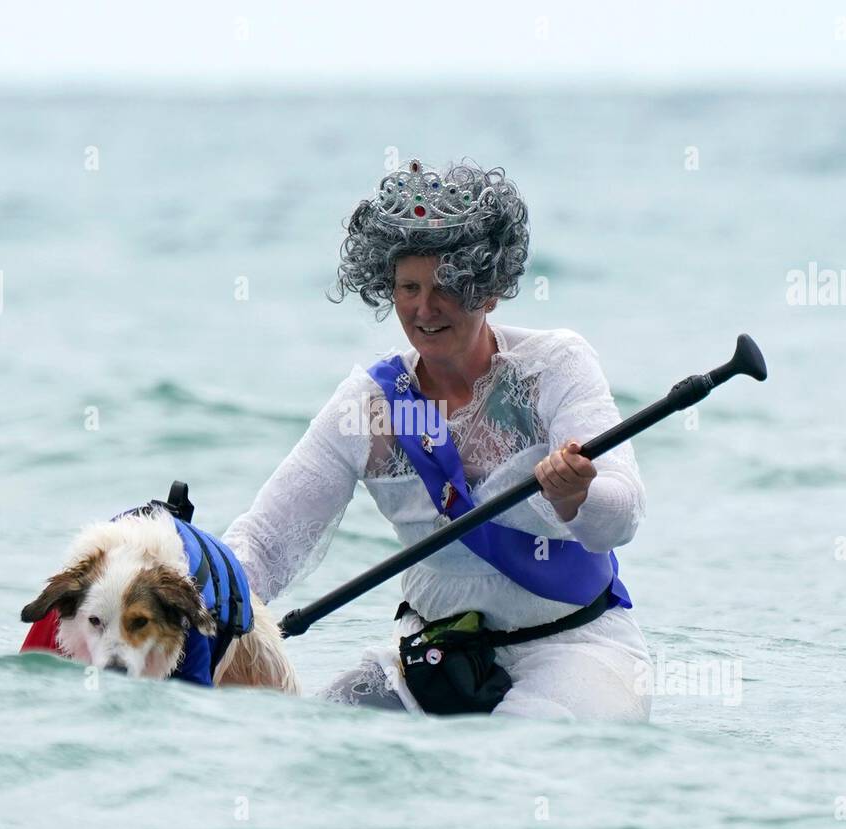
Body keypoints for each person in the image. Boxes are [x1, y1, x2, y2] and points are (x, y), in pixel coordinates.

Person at [222, 157, 651, 721]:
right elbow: (266, 543)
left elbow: (620, 519)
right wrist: (185, 587)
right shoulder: (367, 406)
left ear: (489, 290)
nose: (425, 308)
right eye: (408, 287)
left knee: (526, 742)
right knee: (321, 737)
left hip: (577, 649)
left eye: (448, 285)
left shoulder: (555, 366)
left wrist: (577, 496)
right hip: (436, 656)